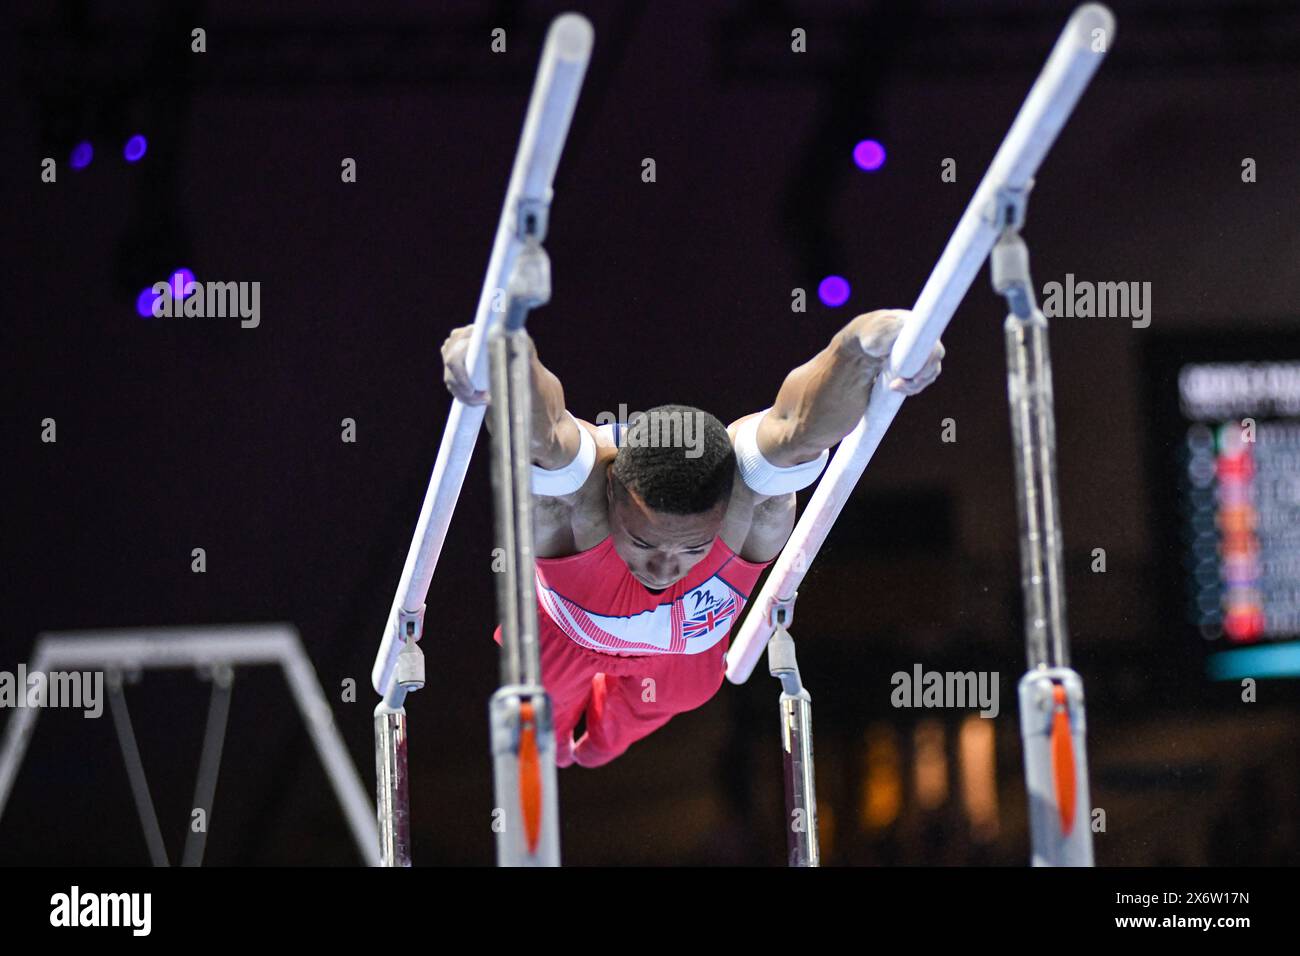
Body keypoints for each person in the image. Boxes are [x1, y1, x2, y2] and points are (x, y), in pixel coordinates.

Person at [442, 310, 943, 767]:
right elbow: (543, 430)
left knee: (596, 752)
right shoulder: (583, 496)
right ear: (612, 492)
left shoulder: (744, 502)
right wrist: (499, 355)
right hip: (563, 644)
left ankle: (597, 741)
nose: (664, 568)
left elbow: (799, 429)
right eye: (644, 543)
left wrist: (861, 348)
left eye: (692, 549)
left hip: (676, 668)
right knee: (545, 751)